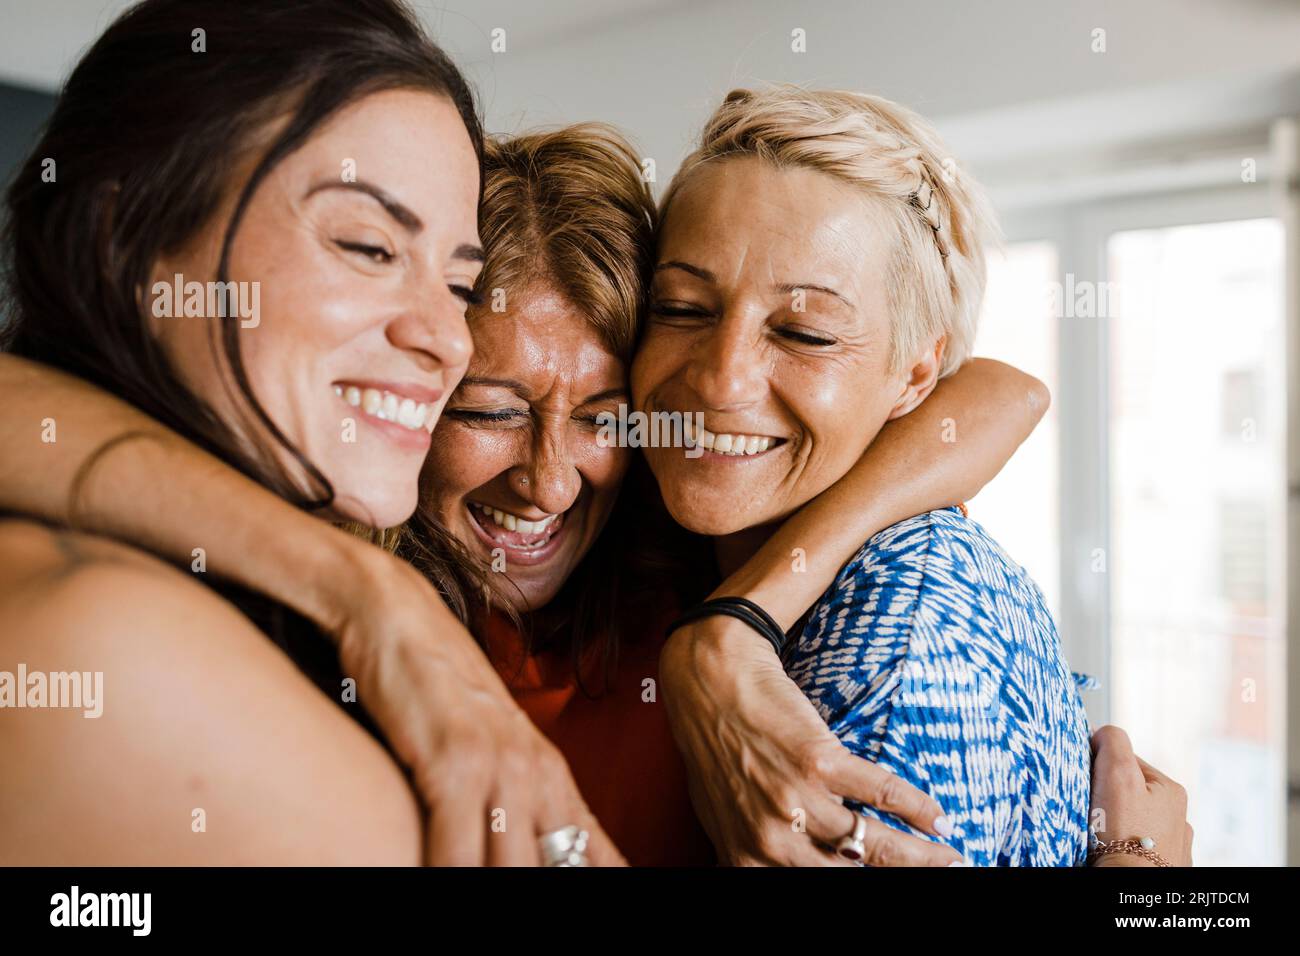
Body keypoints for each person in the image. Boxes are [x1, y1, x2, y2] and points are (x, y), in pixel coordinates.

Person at [0, 0, 623, 866]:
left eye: (458, 286)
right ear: (122, 238)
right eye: (369, 247)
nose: (447, 339)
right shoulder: (116, 643)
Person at [640, 87, 1090, 865]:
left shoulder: (886, 675)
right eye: (682, 308)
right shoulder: (660, 532)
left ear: (917, 376)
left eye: (805, 332)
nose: (721, 381)